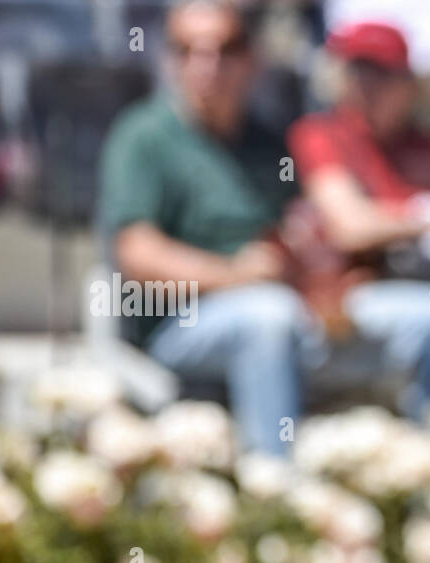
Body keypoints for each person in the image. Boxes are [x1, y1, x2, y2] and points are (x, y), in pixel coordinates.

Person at [99, 0, 304, 455]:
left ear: (252, 58)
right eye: (188, 49)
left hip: (289, 304)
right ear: (170, 59)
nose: (207, 64)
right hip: (177, 326)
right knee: (268, 319)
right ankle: (277, 493)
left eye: (225, 49)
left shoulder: (270, 142)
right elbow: (137, 256)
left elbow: (294, 230)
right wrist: (237, 275)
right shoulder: (143, 136)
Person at [286, 20, 430, 420]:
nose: (366, 83)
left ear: (407, 83)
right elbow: (350, 227)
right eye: (357, 69)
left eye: (381, 72)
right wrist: (428, 216)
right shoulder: (322, 133)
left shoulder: (422, 142)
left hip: (416, 283)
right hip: (345, 294)